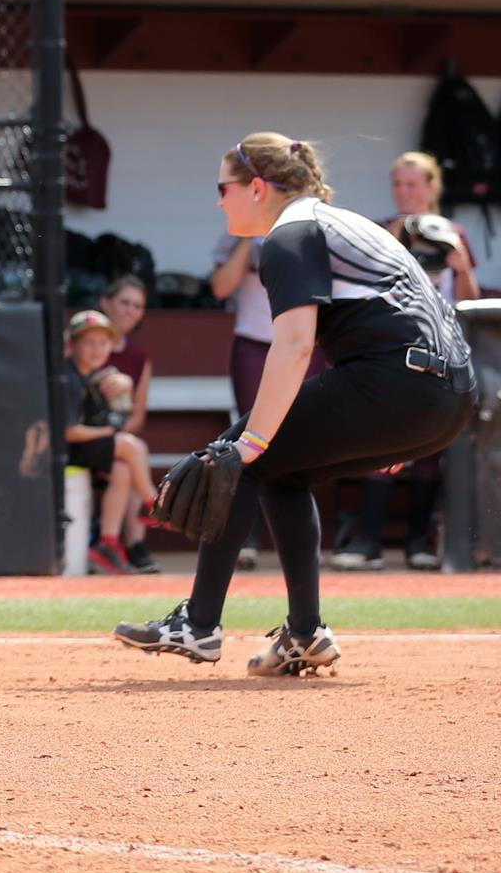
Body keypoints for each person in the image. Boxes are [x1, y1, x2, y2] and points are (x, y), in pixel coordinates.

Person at [117, 133, 475, 676]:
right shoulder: (341, 222)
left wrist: (247, 442)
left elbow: (294, 345)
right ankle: (305, 633)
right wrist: (397, 424)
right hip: (449, 392)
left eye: (224, 187)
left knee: (236, 455)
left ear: (257, 187)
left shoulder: (290, 235)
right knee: (283, 473)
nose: (218, 201)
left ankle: (198, 624)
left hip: (400, 385)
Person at [330, 150, 480, 570]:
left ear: (432, 188)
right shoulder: (380, 231)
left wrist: (460, 264)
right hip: (394, 348)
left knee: (430, 445)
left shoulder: (453, 232)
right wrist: (396, 238)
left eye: (413, 184)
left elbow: (469, 301)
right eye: (398, 184)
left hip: (442, 347)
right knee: (383, 439)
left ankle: (418, 542)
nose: (404, 192)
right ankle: (368, 541)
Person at [62, 309, 155, 575]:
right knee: (132, 446)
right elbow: (68, 432)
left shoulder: (94, 376)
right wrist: (107, 433)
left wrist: (123, 388)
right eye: (88, 342)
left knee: (122, 469)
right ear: (72, 344)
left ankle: (108, 543)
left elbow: (120, 413)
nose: (97, 349)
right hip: (66, 451)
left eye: (103, 343)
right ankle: (154, 505)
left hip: (84, 449)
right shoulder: (67, 377)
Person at [97, 275, 158, 572]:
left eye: (137, 306)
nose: (129, 311)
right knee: (135, 452)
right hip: (85, 438)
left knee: (128, 460)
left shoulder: (139, 356)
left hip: (117, 442)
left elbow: (137, 414)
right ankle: (153, 507)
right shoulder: (86, 346)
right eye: (124, 302)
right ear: (105, 303)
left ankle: (122, 545)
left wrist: (118, 437)